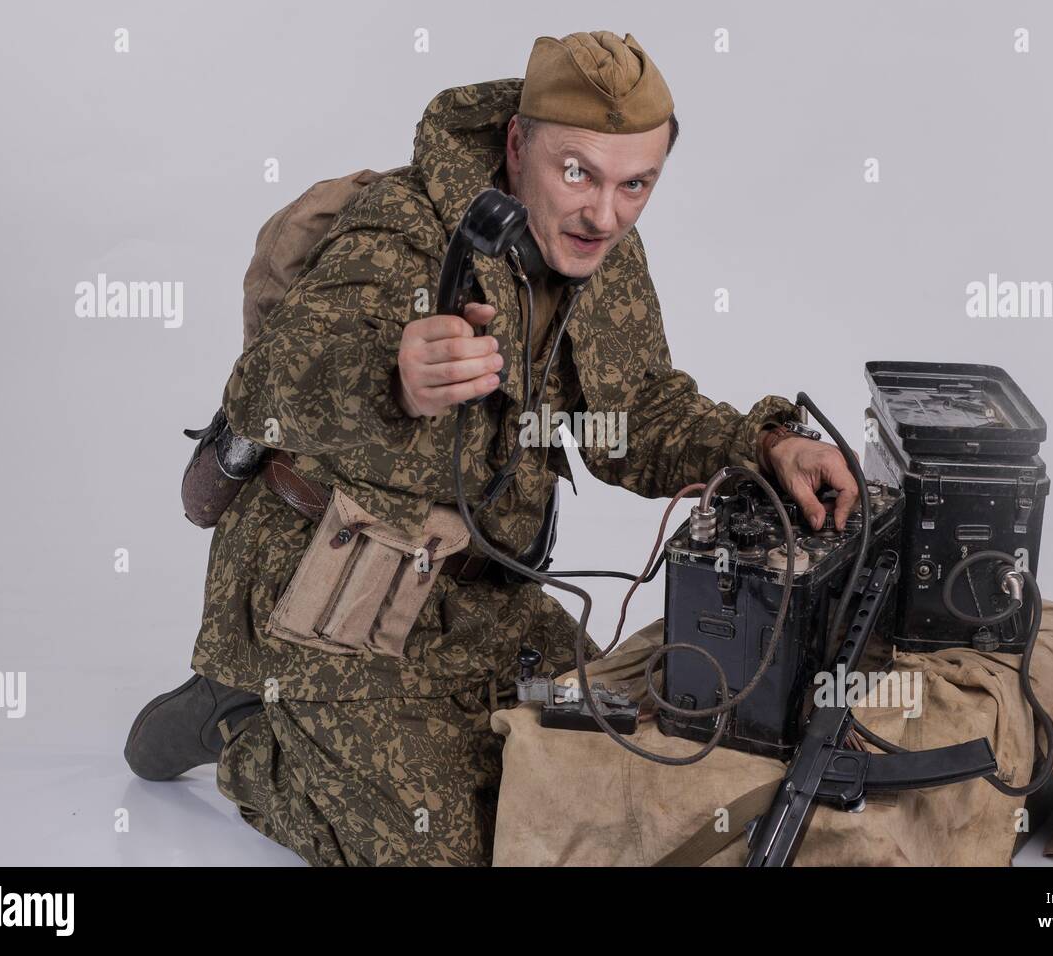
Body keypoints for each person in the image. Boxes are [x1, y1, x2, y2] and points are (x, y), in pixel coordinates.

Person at [125, 30, 858, 866]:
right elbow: (271, 387)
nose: (604, 214)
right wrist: (393, 381)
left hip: (481, 597)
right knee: (456, 850)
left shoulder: (600, 251)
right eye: (576, 171)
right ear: (517, 144)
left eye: (636, 184)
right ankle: (245, 726)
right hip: (330, 600)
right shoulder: (401, 228)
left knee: (607, 778)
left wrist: (763, 445)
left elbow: (636, 419)